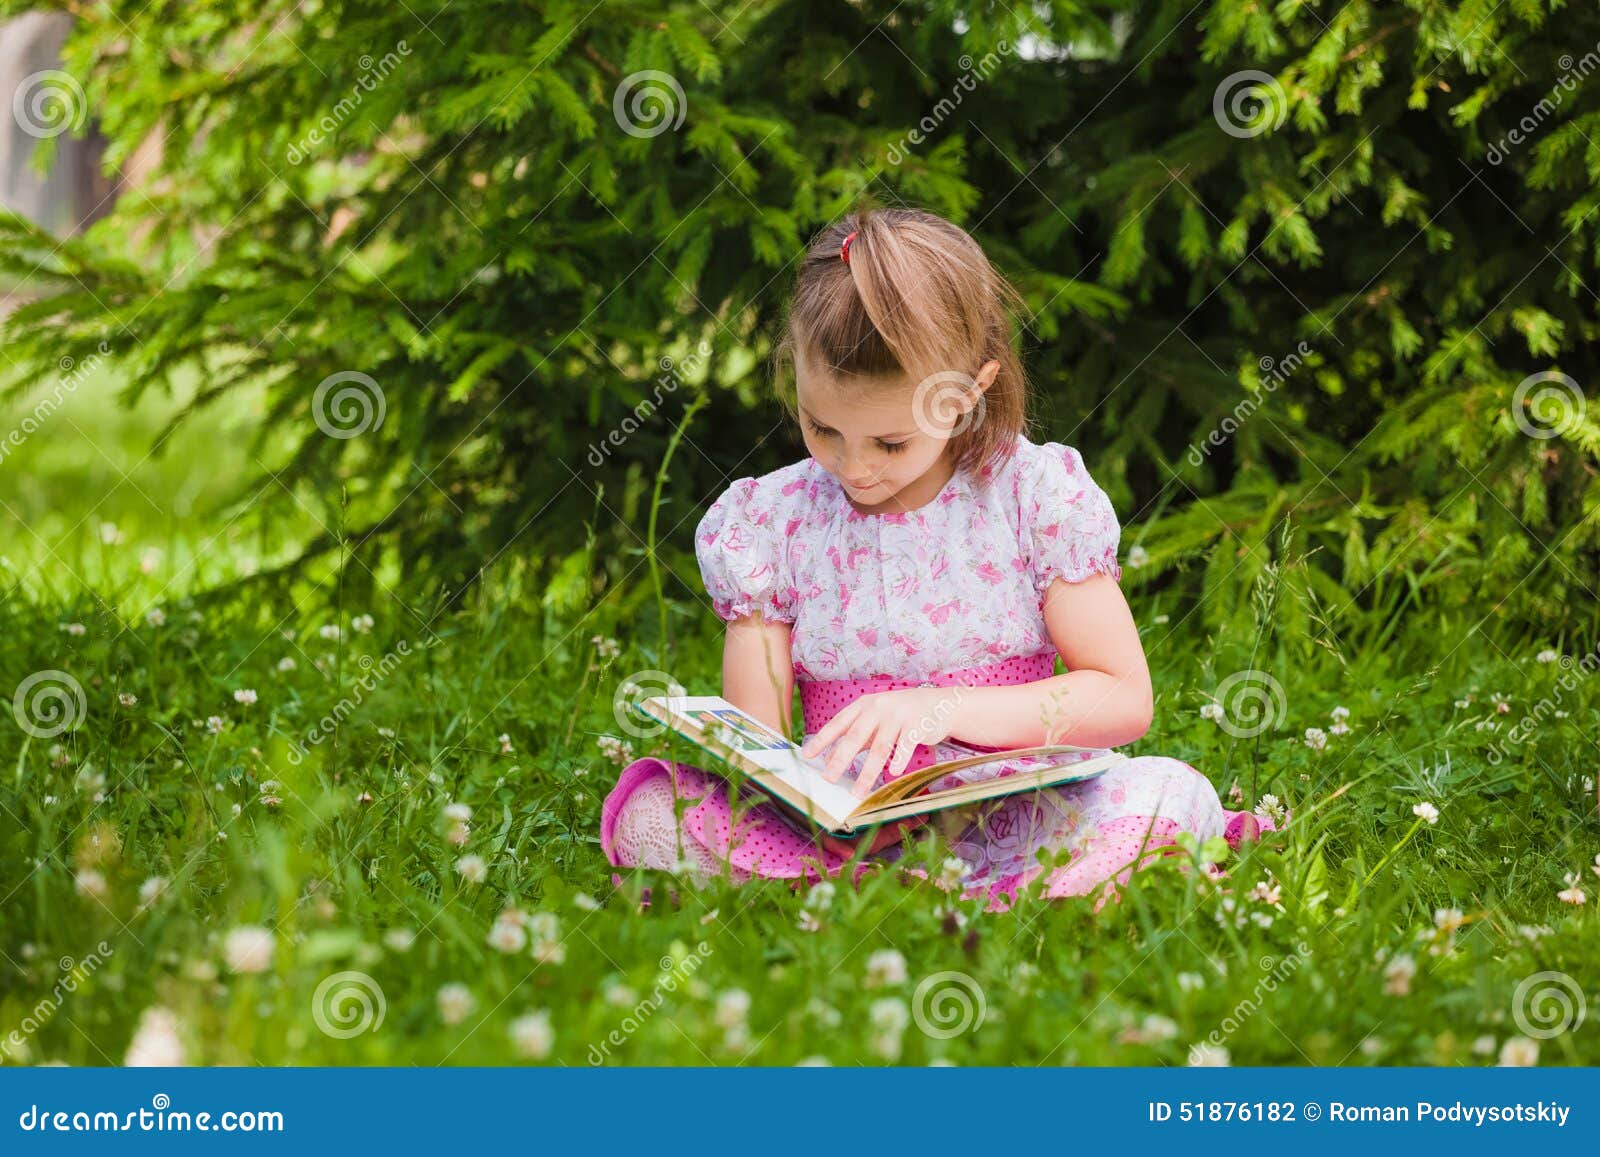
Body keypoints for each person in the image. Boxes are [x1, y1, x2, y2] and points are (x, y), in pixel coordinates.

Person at [601, 205, 1268, 911]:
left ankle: (930, 894)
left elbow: (1122, 696)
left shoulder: (1030, 497)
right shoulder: (771, 522)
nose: (853, 468)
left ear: (965, 393)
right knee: (655, 813)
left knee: (1164, 792)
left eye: (889, 443)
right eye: (822, 427)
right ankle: (899, 888)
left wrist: (937, 709)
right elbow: (760, 752)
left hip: (1021, 815)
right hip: (847, 830)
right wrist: (798, 791)